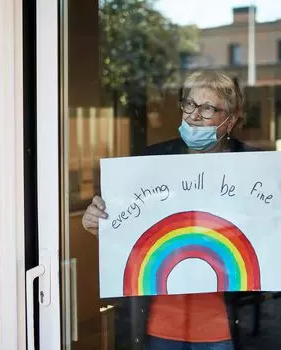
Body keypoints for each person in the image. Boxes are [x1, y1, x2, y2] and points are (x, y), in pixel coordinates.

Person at [82, 70, 259, 350]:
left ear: (231, 119)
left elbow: (269, 236)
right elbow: (127, 229)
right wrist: (99, 224)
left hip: (221, 325)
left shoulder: (256, 168)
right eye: (189, 104)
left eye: (208, 108)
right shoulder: (150, 161)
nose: (193, 116)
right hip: (160, 321)